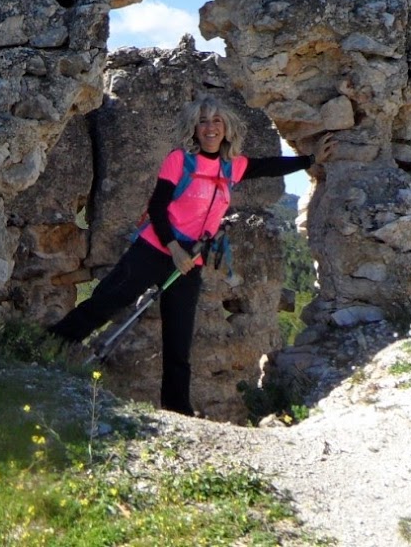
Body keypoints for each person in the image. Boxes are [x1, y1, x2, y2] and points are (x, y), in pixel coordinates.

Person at [49, 96, 336, 416]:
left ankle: (177, 410)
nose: (210, 128)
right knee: (103, 304)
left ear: (226, 128)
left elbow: (269, 165)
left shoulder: (232, 167)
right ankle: (41, 353)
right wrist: (173, 249)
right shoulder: (179, 160)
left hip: (191, 262)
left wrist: (309, 159)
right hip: (155, 249)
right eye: (203, 122)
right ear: (194, 129)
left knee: (179, 339)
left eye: (216, 121)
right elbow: (157, 207)